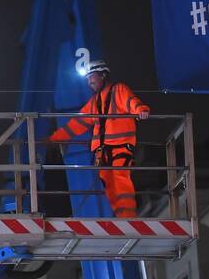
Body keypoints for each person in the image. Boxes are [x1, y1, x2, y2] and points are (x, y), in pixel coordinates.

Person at [49, 59, 149, 217]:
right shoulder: (94, 102)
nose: (89, 82)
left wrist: (141, 110)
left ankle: (128, 217)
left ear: (103, 75)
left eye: (92, 77)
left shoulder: (119, 90)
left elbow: (131, 102)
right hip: (102, 152)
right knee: (109, 184)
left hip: (120, 146)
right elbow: (77, 124)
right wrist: (54, 138)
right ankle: (122, 216)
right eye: (88, 79)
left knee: (120, 178)